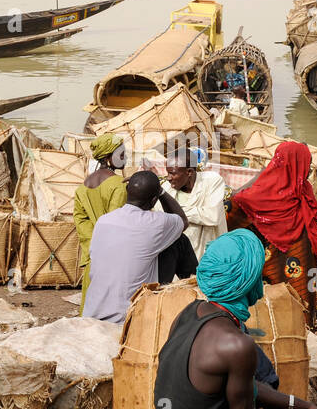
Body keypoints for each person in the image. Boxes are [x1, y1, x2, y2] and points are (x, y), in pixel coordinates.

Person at [152, 229, 317, 409]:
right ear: (246, 282)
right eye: (258, 275)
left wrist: (304, 408)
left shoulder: (190, 312)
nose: (261, 281)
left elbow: (244, 387)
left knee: (258, 373)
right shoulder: (236, 344)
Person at [228, 141, 317, 320]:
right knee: (289, 304)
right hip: (291, 265)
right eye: (307, 165)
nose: (309, 170)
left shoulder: (299, 190)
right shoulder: (300, 192)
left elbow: (234, 206)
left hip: (293, 265)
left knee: (282, 304)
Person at [82, 170, 188, 323]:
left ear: (126, 191)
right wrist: (162, 192)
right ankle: (197, 298)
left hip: (92, 311)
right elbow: (182, 220)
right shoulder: (154, 223)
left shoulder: (103, 221)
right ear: (153, 201)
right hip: (125, 317)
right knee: (180, 241)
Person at [74, 133, 128, 308]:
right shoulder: (120, 185)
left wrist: (92, 245)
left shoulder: (82, 188)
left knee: (91, 300)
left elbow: (81, 221)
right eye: (121, 155)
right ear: (108, 158)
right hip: (114, 255)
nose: (125, 158)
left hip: (93, 254)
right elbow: (117, 221)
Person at [162, 143, 227, 260]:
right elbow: (160, 216)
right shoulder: (167, 189)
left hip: (209, 254)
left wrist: (177, 212)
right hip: (180, 256)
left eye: (173, 173)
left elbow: (213, 216)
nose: (168, 177)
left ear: (189, 172)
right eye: (167, 173)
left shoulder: (212, 181)